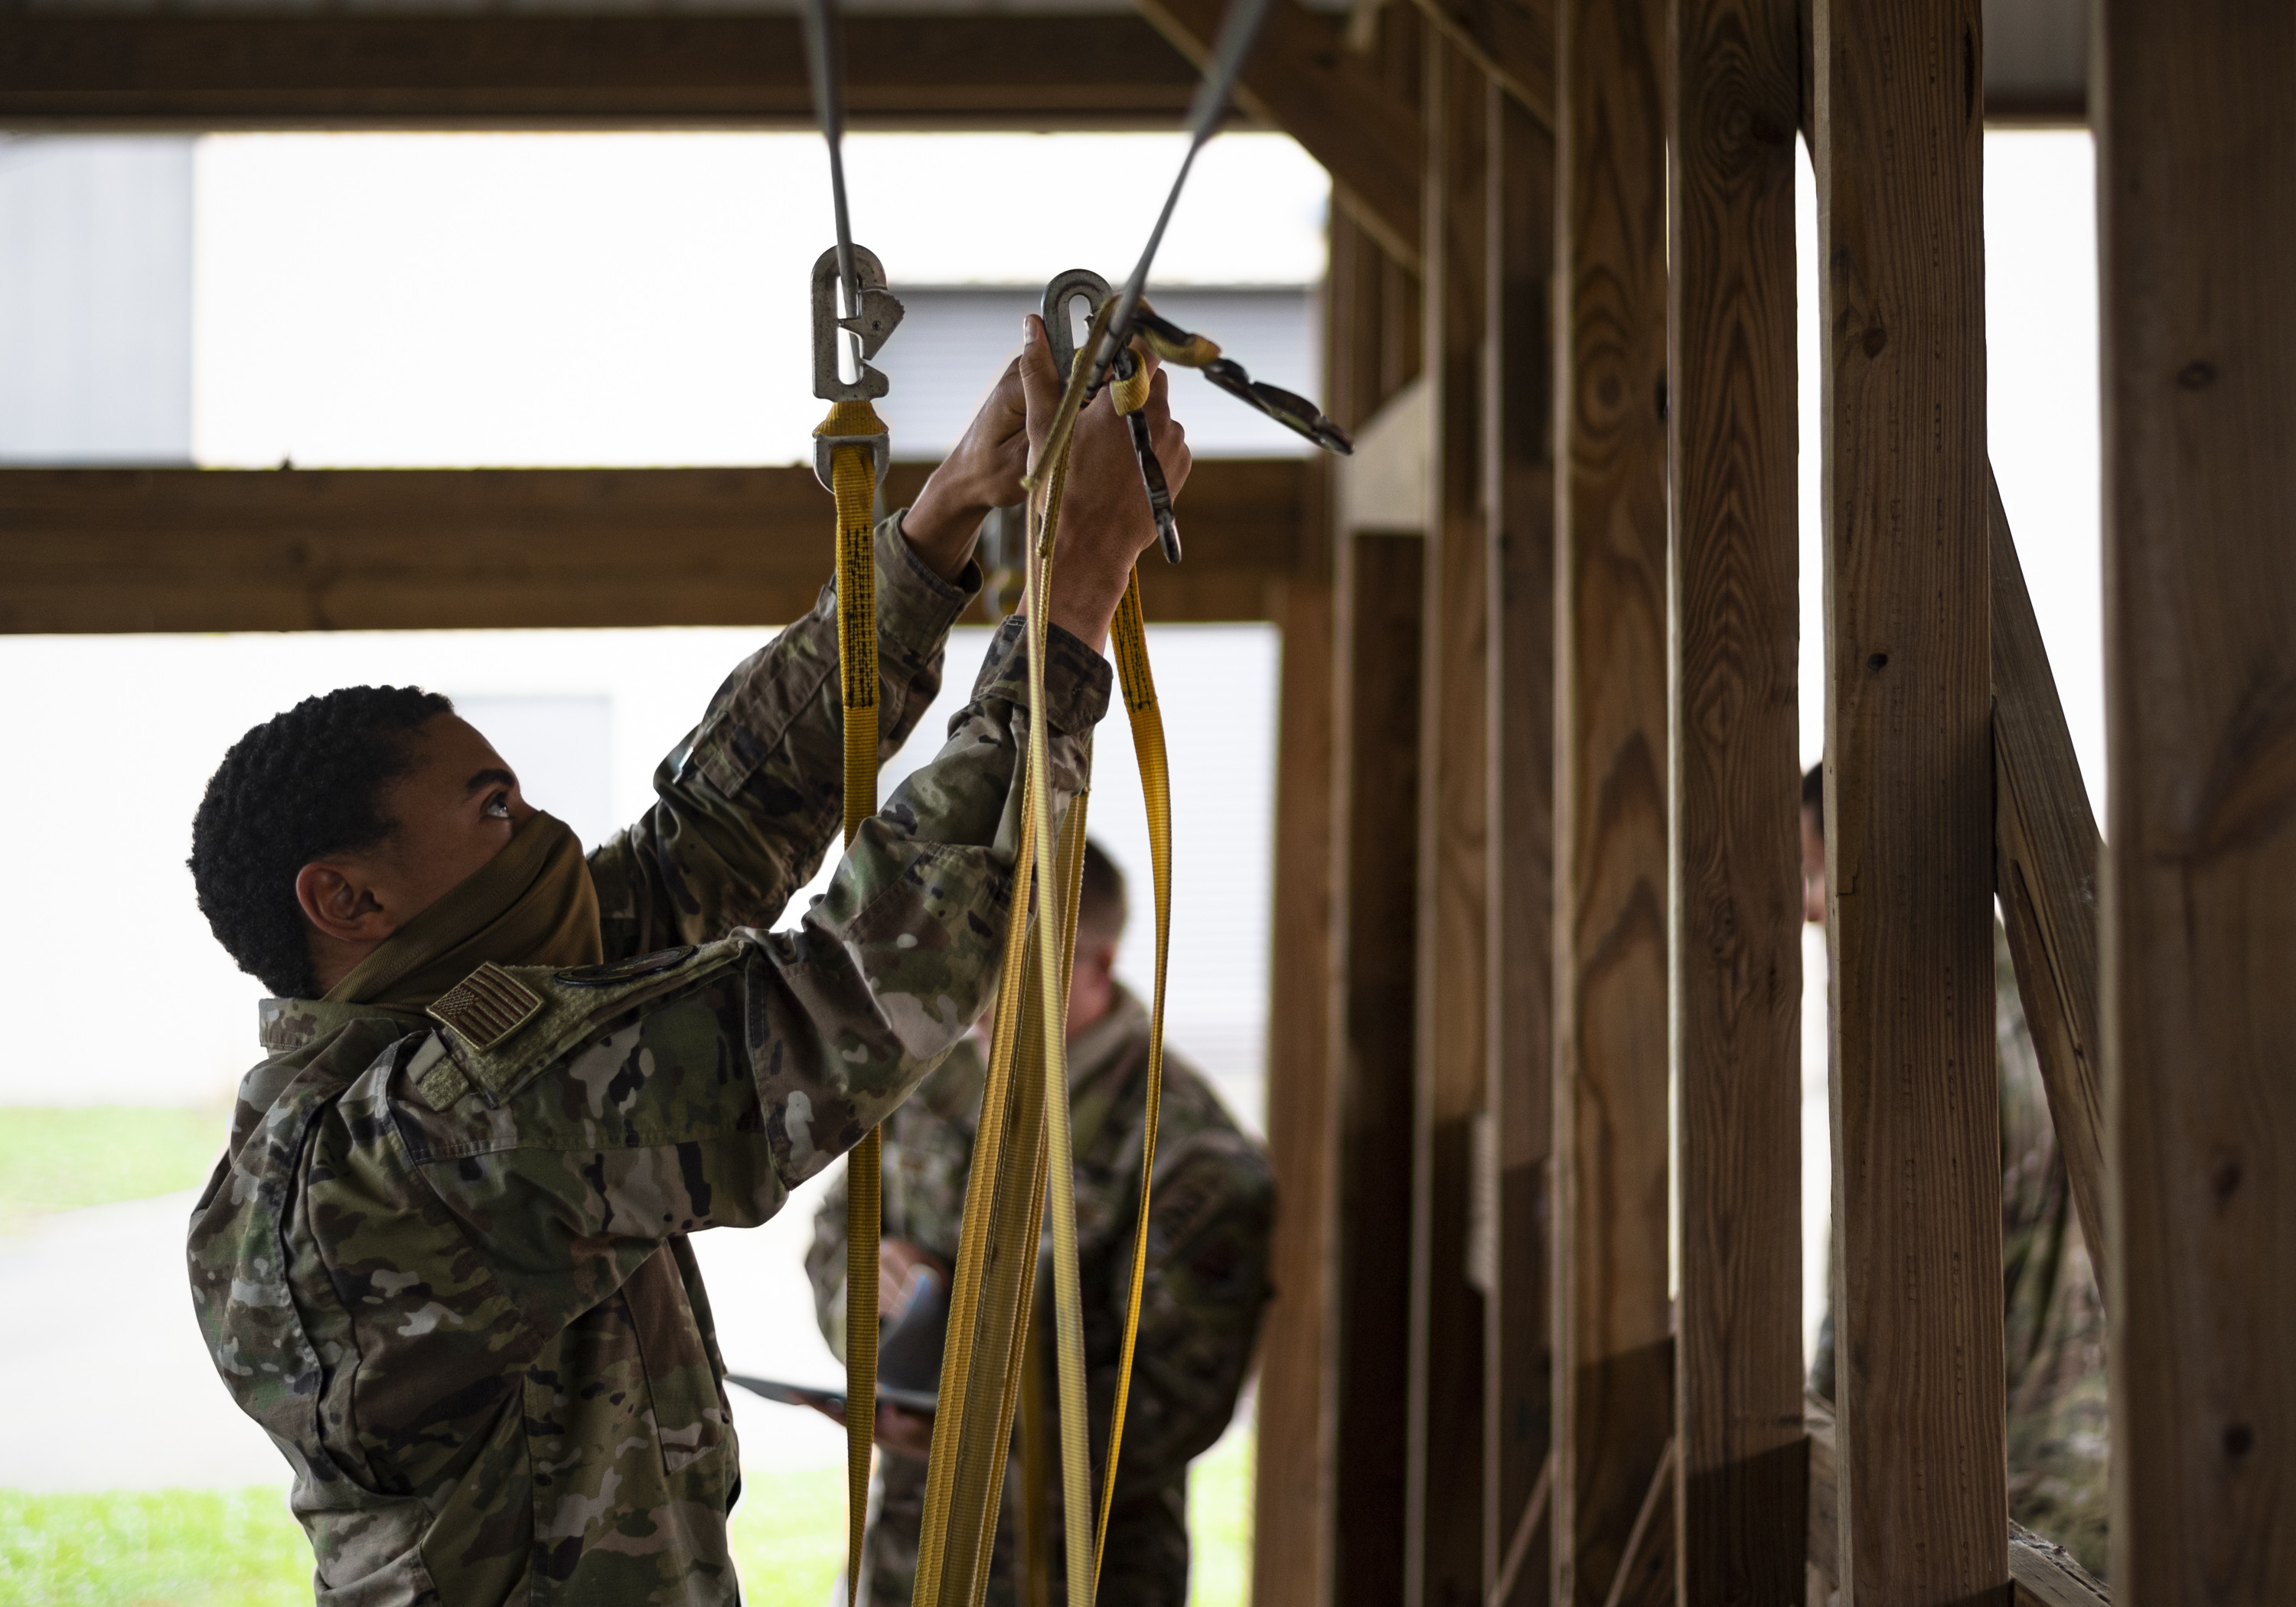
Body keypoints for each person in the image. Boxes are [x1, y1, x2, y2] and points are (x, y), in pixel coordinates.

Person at [182, 316, 1190, 1607]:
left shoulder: (447, 1036)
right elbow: (853, 997)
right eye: (493, 809)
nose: (542, 835)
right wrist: (1067, 612)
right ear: (352, 898)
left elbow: (701, 845)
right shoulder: (404, 1162)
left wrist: (938, 530)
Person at [807, 840, 1274, 1607]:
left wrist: (974, 1425)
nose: (980, 999)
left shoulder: (1187, 1152)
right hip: (905, 1559)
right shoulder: (935, 1080)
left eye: (1018, 968)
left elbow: (1167, 1410)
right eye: (971, 963)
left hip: (1081, 1575)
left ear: (1098, 965)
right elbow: (838, 1232)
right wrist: (870, 1290)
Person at [1800, 763, 2109, 1574]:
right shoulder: (2055, 996)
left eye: (1809, 870)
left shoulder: (1909, 1036)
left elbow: (1863, 1298)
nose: (1804, 906)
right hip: (2104, 1475)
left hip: (1985, 1510)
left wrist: (1813, 1452)